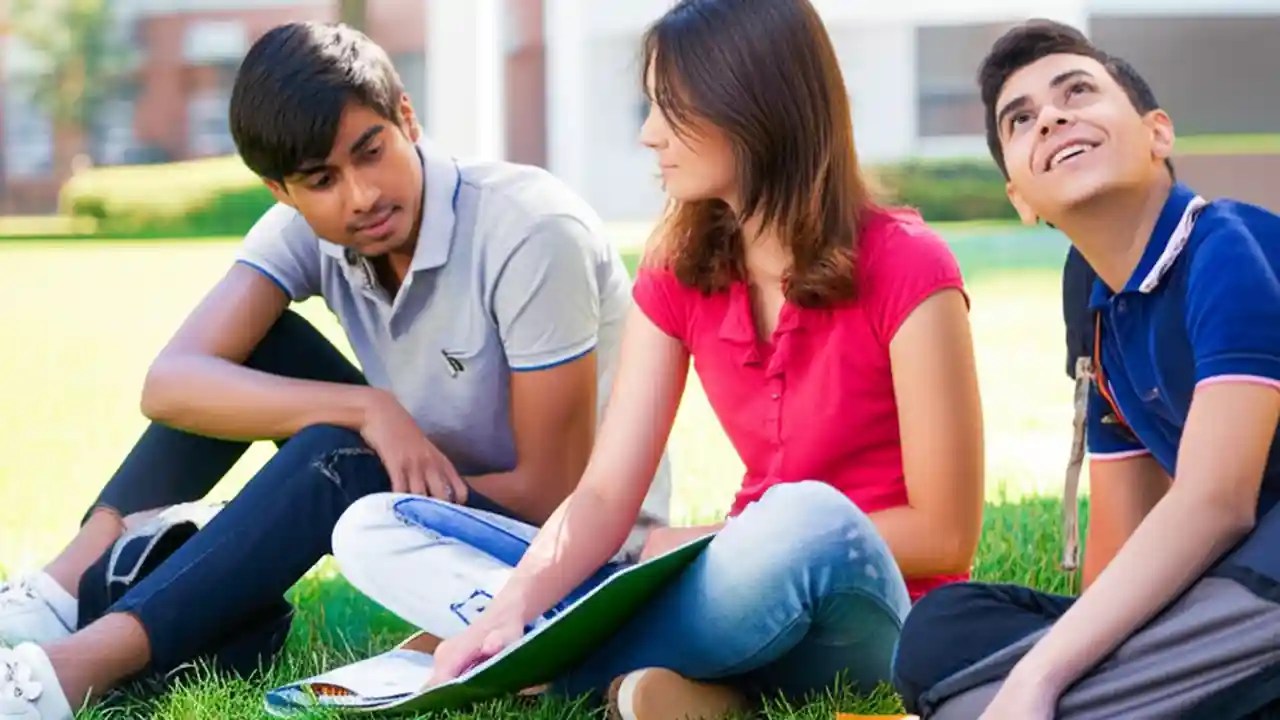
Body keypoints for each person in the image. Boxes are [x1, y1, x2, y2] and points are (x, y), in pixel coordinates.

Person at [330, 1, 984, 718]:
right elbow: (606, 496)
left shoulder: (910, 266)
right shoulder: (680, 267)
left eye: (670, 110)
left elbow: (945, 534)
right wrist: (505, 611)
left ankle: (554, 664)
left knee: (807, 520)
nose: (648, 135)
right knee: (371, 528)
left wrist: (719, 540)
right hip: (736, 582)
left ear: (754, 107)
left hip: (869, 603)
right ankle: (670, 682)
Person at [0, 21, 671, 719]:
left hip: (572, 550)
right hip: (432, 488)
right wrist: (368, 411)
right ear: (281, 191)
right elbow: (170, 383)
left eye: (372, 152)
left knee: (334, 459)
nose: (361, 196)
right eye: (322, 180)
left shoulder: (529, 230)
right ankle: (56, 594)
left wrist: (313, 477)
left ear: (405, 117)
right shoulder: (311, 230)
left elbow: (552, 492)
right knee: (269, 362)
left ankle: (69, 671)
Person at [891, 19, 1280, 720]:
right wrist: (1072, 647)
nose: (1053, 117)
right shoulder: (1093, 303)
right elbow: (1120, 545)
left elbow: (1218, 501)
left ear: (1157, 133)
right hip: (1232, 603)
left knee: (1014, 682)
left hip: (1260, 563)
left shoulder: (1225, 244)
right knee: (937, 636)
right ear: (1020, 197)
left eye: (1078, 91)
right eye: (1022, 119)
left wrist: (1039, 676)